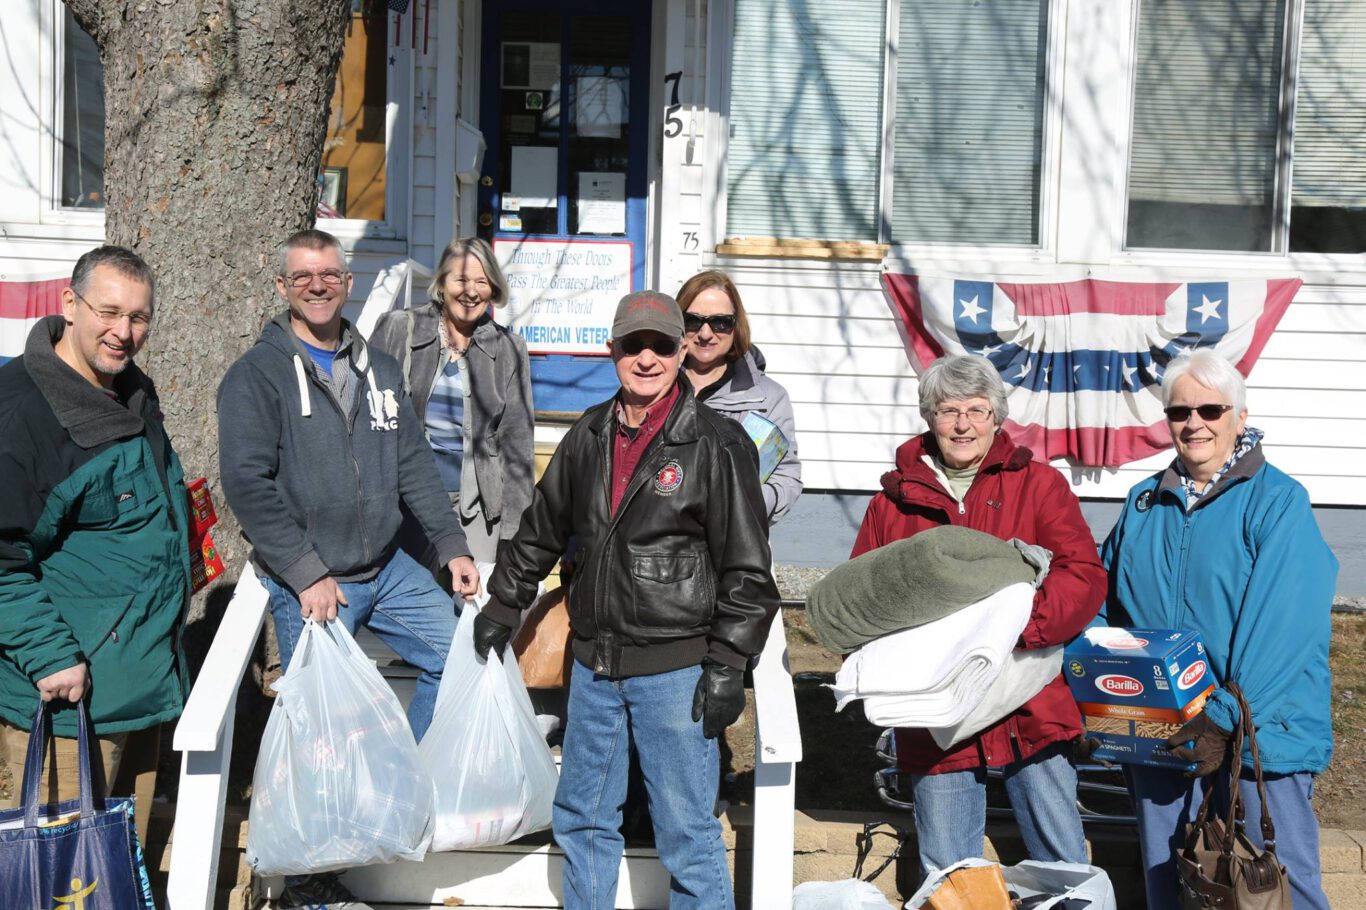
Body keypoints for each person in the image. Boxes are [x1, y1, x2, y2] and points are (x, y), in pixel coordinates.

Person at [475, 290, 780, 910]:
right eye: (632, 345)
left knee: (687, 833)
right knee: (582, 822)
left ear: (681, 351)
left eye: (661, 345)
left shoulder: (716, 444)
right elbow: (539, 531)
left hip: (675, 670)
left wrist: (727, 664)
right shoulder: (587, 435)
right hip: (593, 667)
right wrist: (504, 604)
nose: (647, 358)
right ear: (612, 350)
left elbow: (748, 570)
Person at [217, 229, 479, 910]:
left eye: (329, 273)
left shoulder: (381, 371)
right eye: (302, 275)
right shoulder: (257, 376)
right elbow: (247, 484)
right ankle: (311, 879)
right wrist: (304, 570)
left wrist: (450, 544)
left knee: (460, 654)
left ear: (347, 282)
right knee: (319, 728)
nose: (317, 284)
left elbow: (416, 468)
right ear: (282, 287)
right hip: (310, 579)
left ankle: (402, 790)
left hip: (386, 567)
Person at [850, 354, 1104, 879]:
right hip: (935, 710)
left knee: (1063, 865)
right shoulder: (891, 504)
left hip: (1029, 698)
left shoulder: (1039, 486)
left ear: (996, 416)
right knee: (950, 874)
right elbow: (862, 597)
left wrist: (1021, 632)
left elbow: (1082, 574)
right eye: (948, 411)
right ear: (929, 418)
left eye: (976, 410)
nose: (963, 424)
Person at [1100, 349, 1335, 910]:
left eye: (1210, 408)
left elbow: (1285, 629)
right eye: (1180, 411)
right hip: (1165, 731)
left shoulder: (1279, 502)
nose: (1194, 423)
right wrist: (1100, 698)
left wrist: (1223, 718)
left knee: (1275, 886)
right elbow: (1103, 601)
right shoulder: (1142, 503)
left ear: (1241, 416)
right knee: (1173, 880)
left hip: (1257, 733)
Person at [0, 245, 186, 847]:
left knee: (112, 873)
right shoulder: (27, 416)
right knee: (54, 878)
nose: (123, 333)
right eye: (109, 312)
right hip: (62, 705)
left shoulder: (127, 389)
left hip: (133, 687)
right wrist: (50, 654)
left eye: (138, 318)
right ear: (69, 304)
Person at [369, 238, 534, 567]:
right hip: (407, 498)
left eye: (481, 281)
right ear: (442, 283)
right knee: (412, 604)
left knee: (472, 608)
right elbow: (365, 412)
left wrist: (513, 529)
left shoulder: (508, 348)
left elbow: (517, 441)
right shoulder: (399, 329)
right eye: (460, 279)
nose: (470, 291)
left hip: (476, 501)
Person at [675, 270, 802, 524]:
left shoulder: (767, 398)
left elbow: (786, 478)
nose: (706, 333)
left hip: (732, 539)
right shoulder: (656, 386)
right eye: (693, 320)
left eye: (720, 322)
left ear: (736, 325)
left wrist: (740, 508)